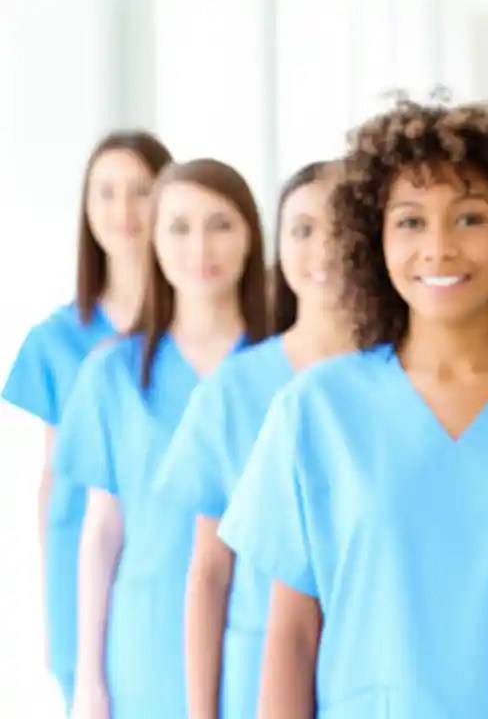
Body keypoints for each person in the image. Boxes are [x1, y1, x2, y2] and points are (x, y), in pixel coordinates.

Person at [217, 97, 488, 718]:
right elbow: (294, 635)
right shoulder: (317, 410)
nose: (439, 247)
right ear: (372, 240)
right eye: (409, 221)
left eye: (470, 218)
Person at [57, 158, 269, 719]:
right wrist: (89, 682)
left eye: (220, 224)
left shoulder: (285, 370)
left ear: (251, 235)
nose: (201, 246)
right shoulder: (113, 374)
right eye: (178, 227)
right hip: (148, 641)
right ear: (152, 242)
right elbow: (102, 530)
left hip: (264, 636)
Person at [153, 160, 349, 719]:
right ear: (278, 244)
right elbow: (210, 571)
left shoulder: (402, 379)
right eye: (303, 229)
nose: (323, 248)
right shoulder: (235, 388)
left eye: (341, 227)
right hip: (255, 670)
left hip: (367, 667)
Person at [1, 130, 171, 711]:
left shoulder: (200, 333)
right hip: (85, 559)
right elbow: (55, 477)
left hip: (174, 559)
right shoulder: (56, 340)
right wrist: (56, 606)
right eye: (106, 193)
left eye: (140, 191)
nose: (123, 211)